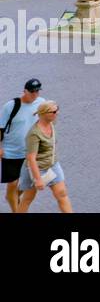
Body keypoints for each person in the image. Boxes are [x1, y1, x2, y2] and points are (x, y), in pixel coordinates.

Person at [15, 101, 70, 214]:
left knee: (62, 194)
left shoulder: (52, 122)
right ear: (44, 114)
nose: (57, 113)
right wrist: (38, 179)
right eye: (54, 111)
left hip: (52, 165)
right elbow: (31, 158)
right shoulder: (34, 134)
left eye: (57, 109)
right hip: (36, 169)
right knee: (28, 198)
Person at [1, 79, 45, 213]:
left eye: (37, 91)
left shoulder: (41, 103)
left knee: (30, 184)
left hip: (31, 152)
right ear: (24, 91)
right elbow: (1, 128)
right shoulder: (11, 106)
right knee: (13, 184)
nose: (35, 94)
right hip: (12, 151)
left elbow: (46, 122)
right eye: (32, 91)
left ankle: (11, 198)